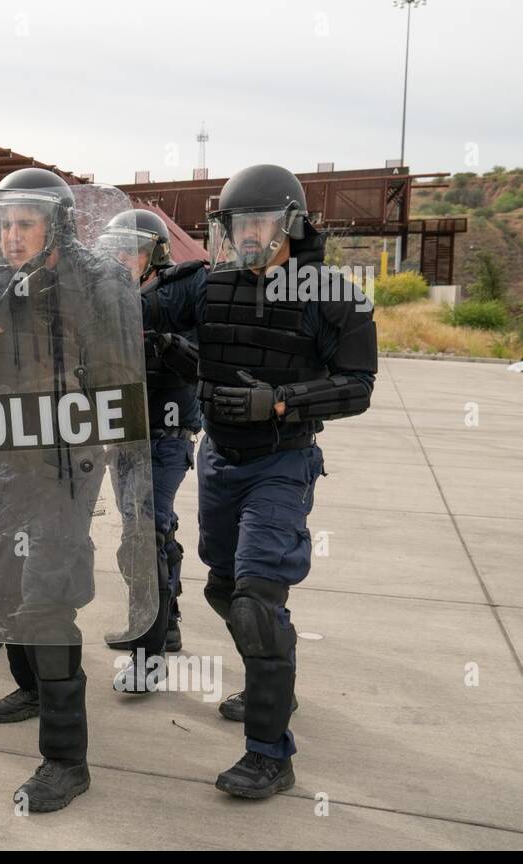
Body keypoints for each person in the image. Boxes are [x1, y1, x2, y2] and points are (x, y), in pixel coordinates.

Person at [0, 168, 153, 812]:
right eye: (5, 224)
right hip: (8, 456)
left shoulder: (99, 281)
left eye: (25, 223)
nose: (13, 236)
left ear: (56, 223)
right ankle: (32, 686)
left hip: (66, 465)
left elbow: (122, 380)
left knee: (47, 600)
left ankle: (65, 759)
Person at [145, 164, 377, 797]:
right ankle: (274, 676)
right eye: (235, 223)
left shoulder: (335, 296)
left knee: (256, 602)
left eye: (259, 223)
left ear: (290, 226)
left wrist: (278, 402)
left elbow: (358, 388)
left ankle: (270, 753)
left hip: (282, 460)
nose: (247, 235)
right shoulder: (205, 286)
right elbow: (133, 308)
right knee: (225, 591)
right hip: (220, 459)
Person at [96, 209, 206, 692]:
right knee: (149, 530)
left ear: (156, 253)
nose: (123, 256)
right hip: (123, 436)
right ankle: (168, 618)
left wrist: (162, 343)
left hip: (165, 436)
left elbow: (200, 362)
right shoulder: (107, 300)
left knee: (144, 535)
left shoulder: (187, 293)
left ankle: (148, 657)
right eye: (116, 247)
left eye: (134, 248)